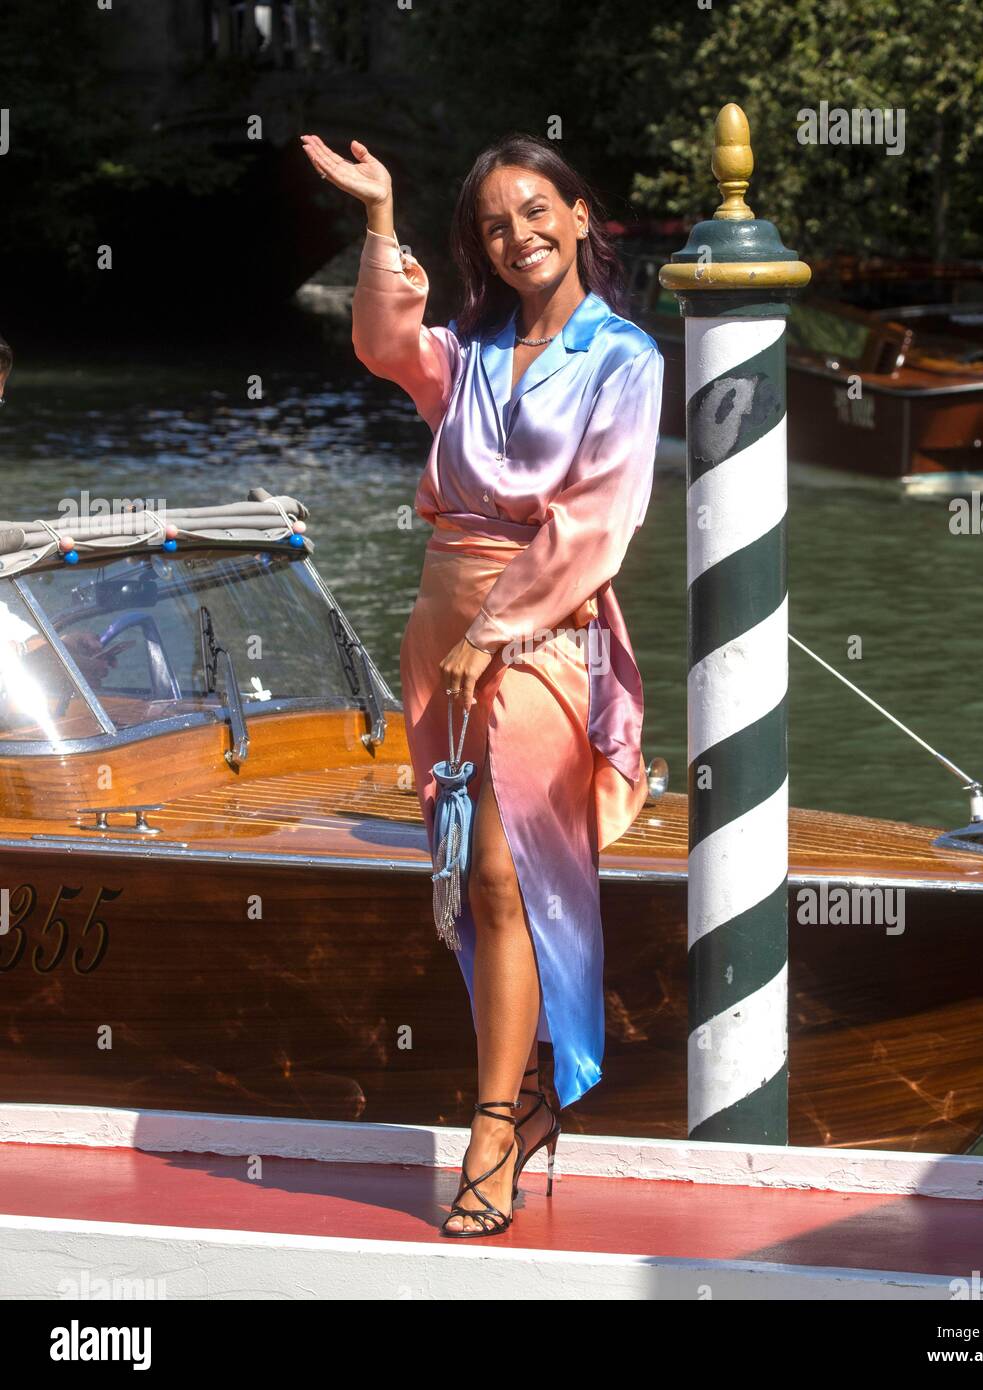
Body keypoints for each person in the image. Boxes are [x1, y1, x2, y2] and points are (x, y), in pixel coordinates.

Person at [301, 130, 664, 1238]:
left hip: (543, 634)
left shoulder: (623, 358)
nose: (518, 235)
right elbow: (380, 343)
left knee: (507, 875)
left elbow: (597, 517)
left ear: (579, 214)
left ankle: (494, 1124)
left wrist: (499, 626)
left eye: (534, 211)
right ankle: (528, 1095)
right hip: (437, 631)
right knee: (469, 877)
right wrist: (377, 220)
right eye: (495, 224)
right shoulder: (461, 355)